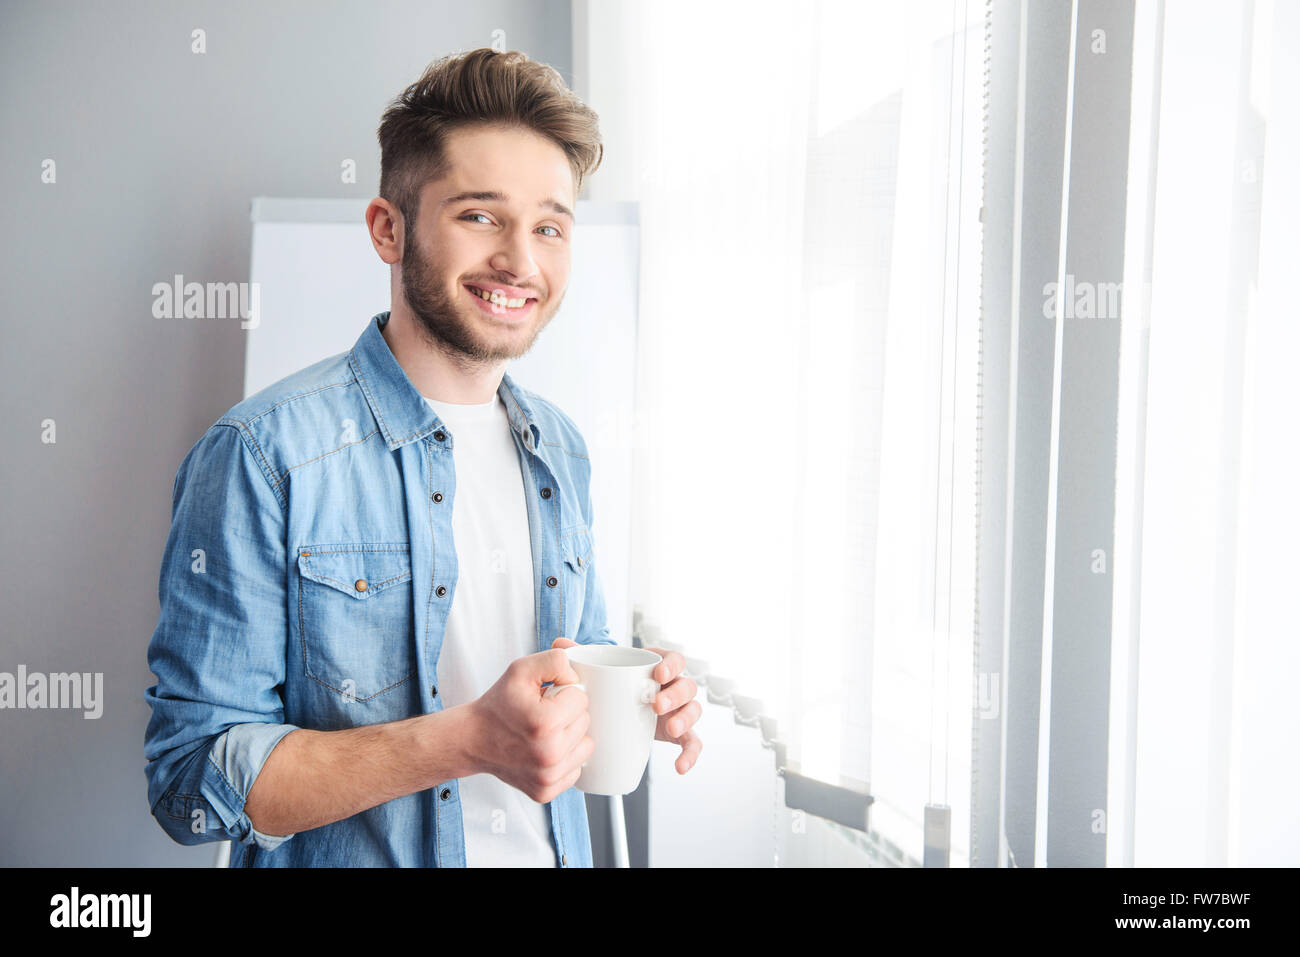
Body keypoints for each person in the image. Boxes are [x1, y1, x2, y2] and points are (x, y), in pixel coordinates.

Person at [143, 48, 702, 867]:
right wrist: (465, 740)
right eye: (481, 215)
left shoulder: (563, 449)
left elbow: (569, 676)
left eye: (549, 225)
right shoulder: (264, 454)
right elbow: (190, 779)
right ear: (388, 229)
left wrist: (638, 701)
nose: (521, 259)